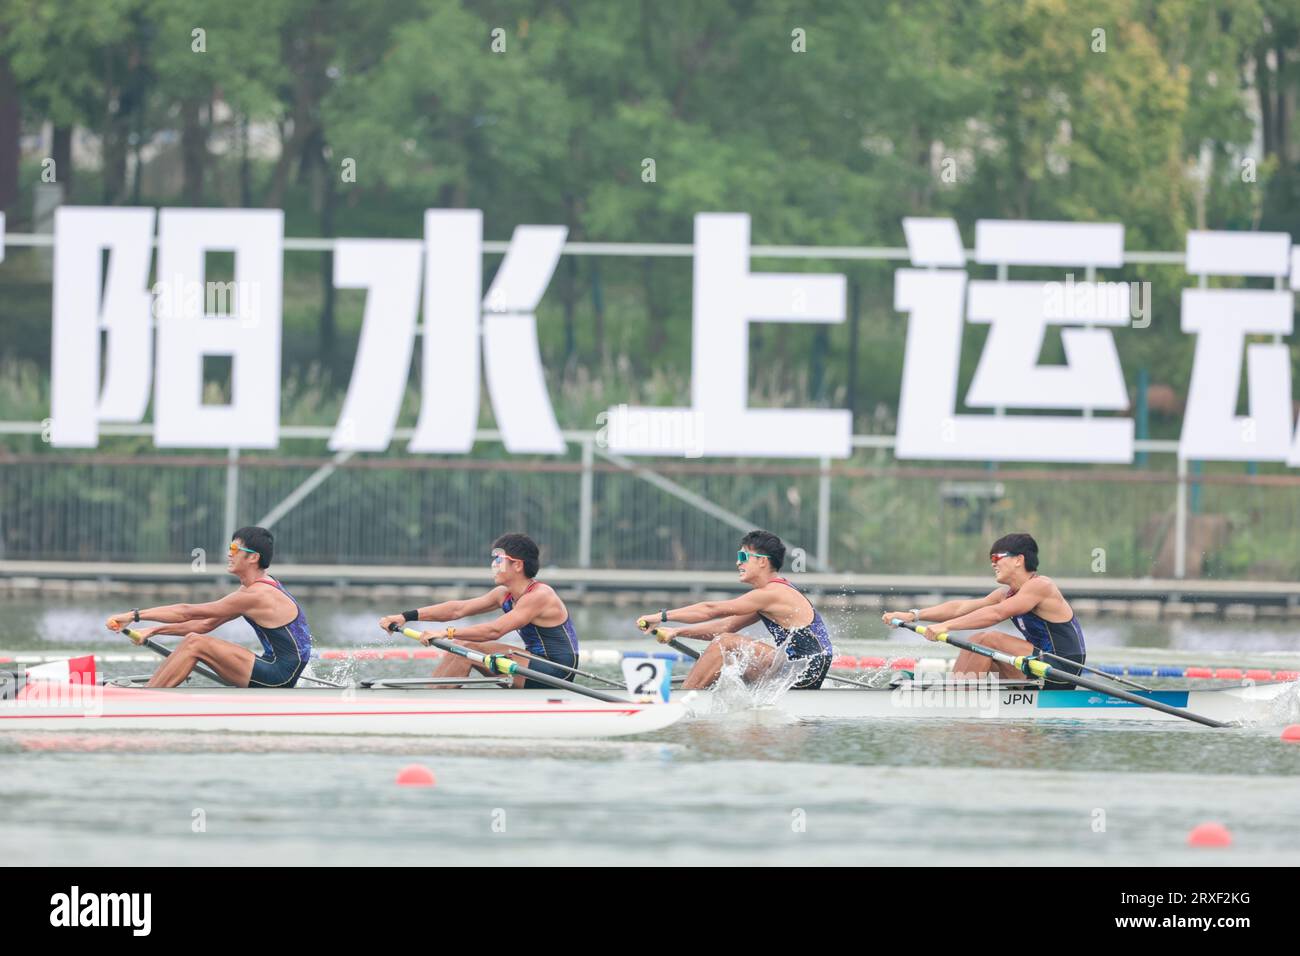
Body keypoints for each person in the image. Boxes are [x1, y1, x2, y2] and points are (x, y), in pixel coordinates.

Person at [105, 526, 313, 688]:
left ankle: (146, 698)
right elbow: (204, 624)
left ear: (253, 557)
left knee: (195, 644)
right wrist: (153, 630)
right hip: (274, 668)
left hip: (278, 676)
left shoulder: (257, 595)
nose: (229, 554)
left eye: (234, 549)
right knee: (195, 640)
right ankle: (150, 691)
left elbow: (187, 611)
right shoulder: (252, 590)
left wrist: (134, 615)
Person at [882, 532, 1086, 688]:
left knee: (988, 640)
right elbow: (960, 607)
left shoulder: (1041, 586)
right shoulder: (1004, 594)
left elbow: (996, 614)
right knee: (975, 643)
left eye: (997, 558)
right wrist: (914, 615)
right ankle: (959, 690)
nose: (992, 563)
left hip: (1063, 668)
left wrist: (945, 627)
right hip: (1037, 666)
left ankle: (957, 697)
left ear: (1018, 559)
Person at [637, 530, 833, 690]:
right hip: (799, 669)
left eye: (743, 556)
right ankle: (700, 694)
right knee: (730, 652)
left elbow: (711, 609)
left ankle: (684, 698)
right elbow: (725, 625)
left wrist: (661, 617)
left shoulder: (772, 593)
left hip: (803, 672)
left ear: (762, 561)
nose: (738, 562)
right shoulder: (769, 597)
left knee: (725, 643)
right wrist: (677, 631)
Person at [378, 533, 578, 688]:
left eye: (499, 559)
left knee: (465, 647)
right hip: (531, 663)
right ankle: (434, 692)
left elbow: (494, 631)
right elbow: (458, 609)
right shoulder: (504, 593)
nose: (493, 564)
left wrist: (446, 633)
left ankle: (432, 700)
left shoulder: (540, 595)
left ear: (517, 565)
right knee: (462, 645)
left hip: (558, 673)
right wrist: (405, 616)